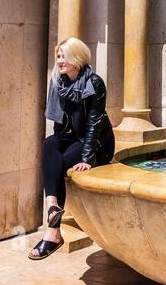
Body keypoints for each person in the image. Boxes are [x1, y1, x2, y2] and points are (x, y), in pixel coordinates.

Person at [30, 38, 115, 260]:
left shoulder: (94, 83)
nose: (59, 61)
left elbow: (94, 123)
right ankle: (53, 207)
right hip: (74, 138)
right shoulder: (59, 83)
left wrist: (88, 158)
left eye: (64, 56)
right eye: (58, 56)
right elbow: (60, 127)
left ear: (77, 58)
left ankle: (52, 233)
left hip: (97, 144)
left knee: (60, 161)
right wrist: (57, 149)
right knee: (50, 144)